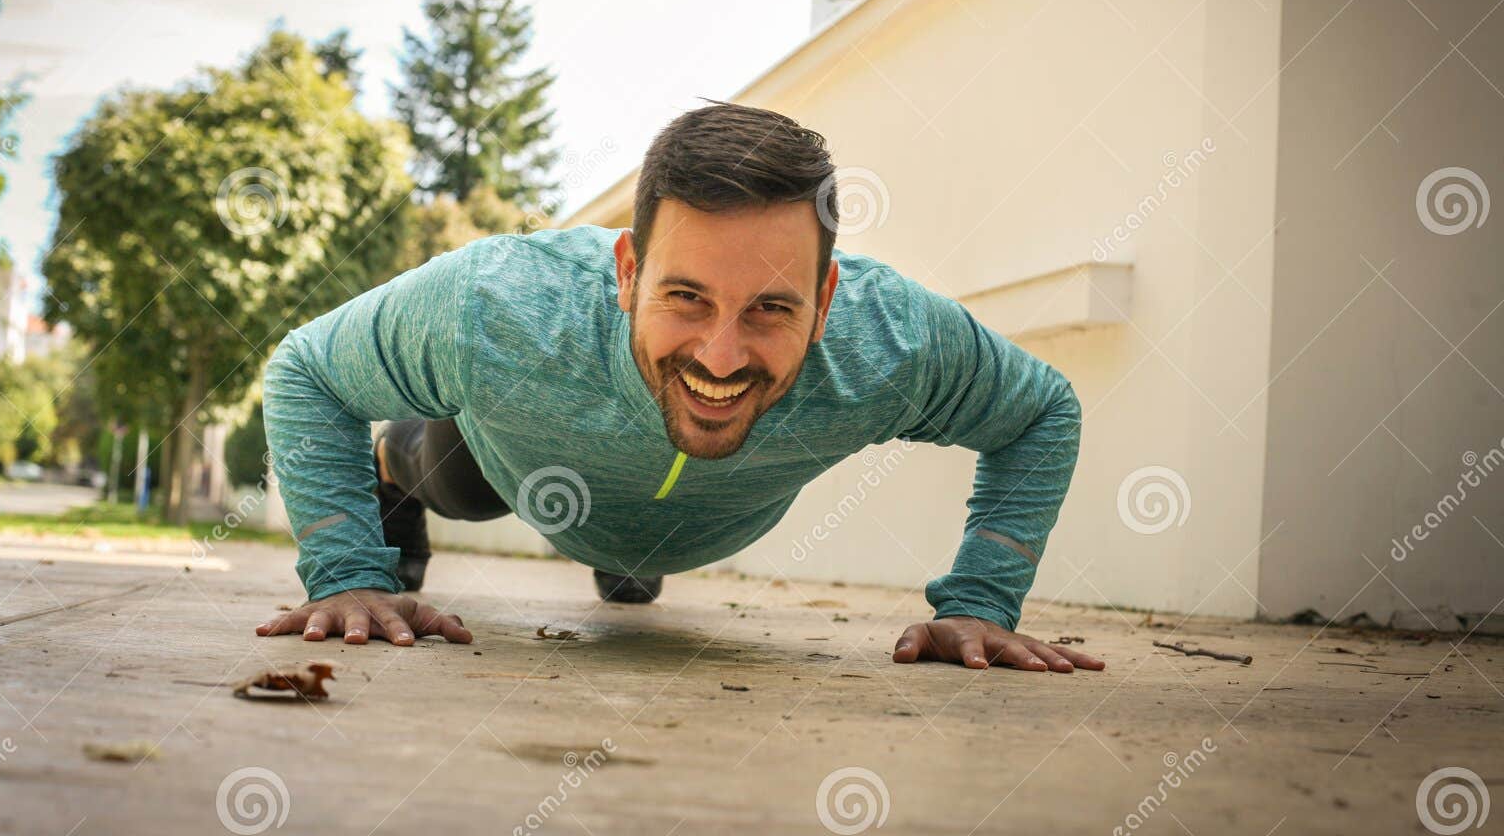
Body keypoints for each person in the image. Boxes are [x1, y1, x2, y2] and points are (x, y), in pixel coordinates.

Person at [257, 102, 1102, 674]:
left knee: (635, 559)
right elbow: (307, 368)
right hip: (509, 467)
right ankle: (395, 475)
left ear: (828, 300)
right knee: (449, 473)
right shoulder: (494, 305)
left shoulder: (895, 339)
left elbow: (1041, 411)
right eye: (687, 296)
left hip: (695, 524)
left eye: (772, 307)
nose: (723, 355)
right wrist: (344, 568)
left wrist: (984, 599)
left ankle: (627, 565)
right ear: (626, 270)